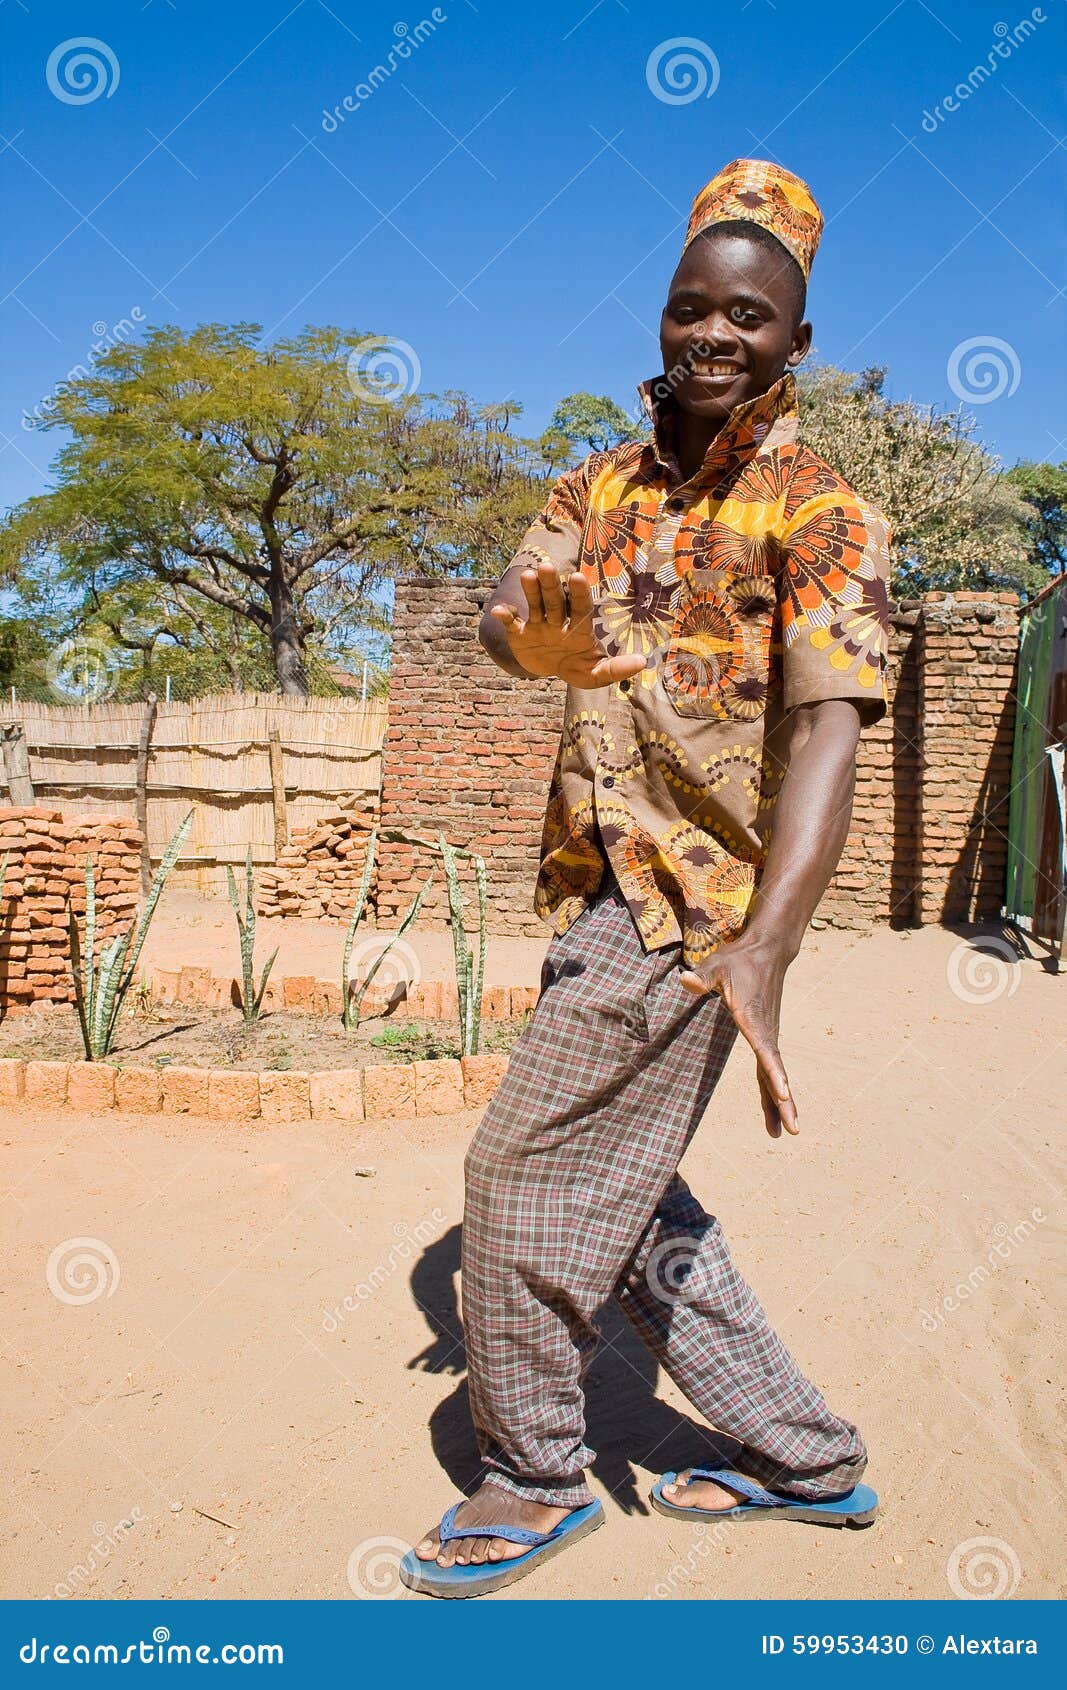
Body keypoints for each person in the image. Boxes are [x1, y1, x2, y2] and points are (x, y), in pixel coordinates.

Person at [400, 157, 889, 1599]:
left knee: (511, 1174)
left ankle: (533, 1470)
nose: (716, 335)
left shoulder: (823, 512)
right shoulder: (596, 484)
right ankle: (805, 1456)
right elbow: (512, 606)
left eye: (750, 316)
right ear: (663, 315)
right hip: (602, 886)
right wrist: (522, 644)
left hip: (699, 908)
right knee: (631, 1205)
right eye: (694, 307)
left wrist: (770, 948)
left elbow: (827, 734)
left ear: (796, 343)